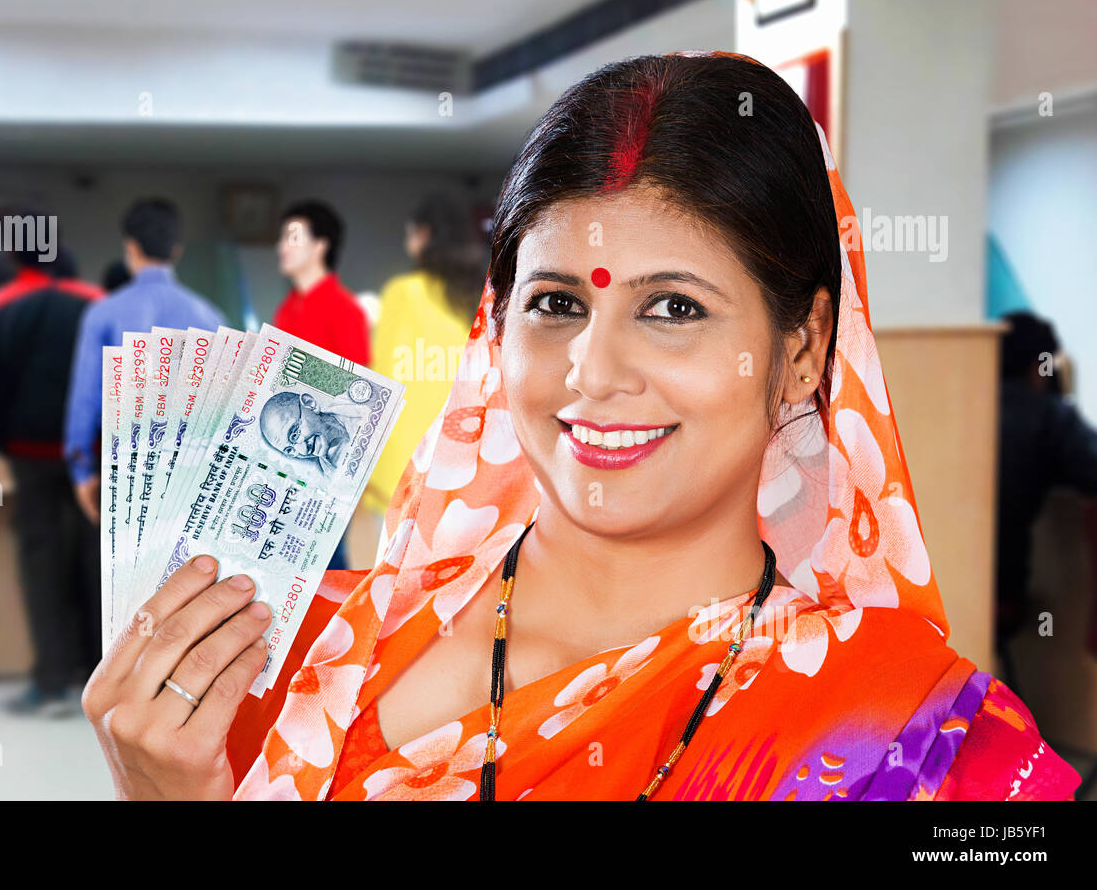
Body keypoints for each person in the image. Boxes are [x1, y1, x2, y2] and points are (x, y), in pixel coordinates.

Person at [82, 52, 1082, 800]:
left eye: (674, 308)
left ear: (803, 349)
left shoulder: (907, 737)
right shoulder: (278, 647)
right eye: (555, 302)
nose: (591, 373)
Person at [0, 210, 105, 716]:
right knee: (98, 566)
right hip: (94, 461)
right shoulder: (96, 304)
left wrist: (11, 444)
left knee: (41, 565)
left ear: (11, 254)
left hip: (31, 459)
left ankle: (51, 681)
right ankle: (101, 678)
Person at [64, 198, 225, 526]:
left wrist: (81, 471)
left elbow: (85, 401)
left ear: (130, 247)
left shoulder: (103, 313)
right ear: (177, 250)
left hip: (126, 468)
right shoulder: (211, 316)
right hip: (195, 471)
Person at [361, 193, 486, 522]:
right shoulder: (482, 295)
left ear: (425, 235)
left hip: (406, 464)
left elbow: (381, 380)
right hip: (466, 458)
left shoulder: (405, 292)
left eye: (410, 234)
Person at [994, 311, 1097, 681]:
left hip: (954, 583)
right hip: (1004, 587)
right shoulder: (1047, 415)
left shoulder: (967, 404)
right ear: (1041, 366)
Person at [271, 199, 370, 570]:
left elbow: (359, 391)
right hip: (286, 458)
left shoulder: (344, 310)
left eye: (292, 237)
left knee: (322, 560)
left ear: (320, 246)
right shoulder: (286, 309)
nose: (282, 247)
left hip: (324, 459)